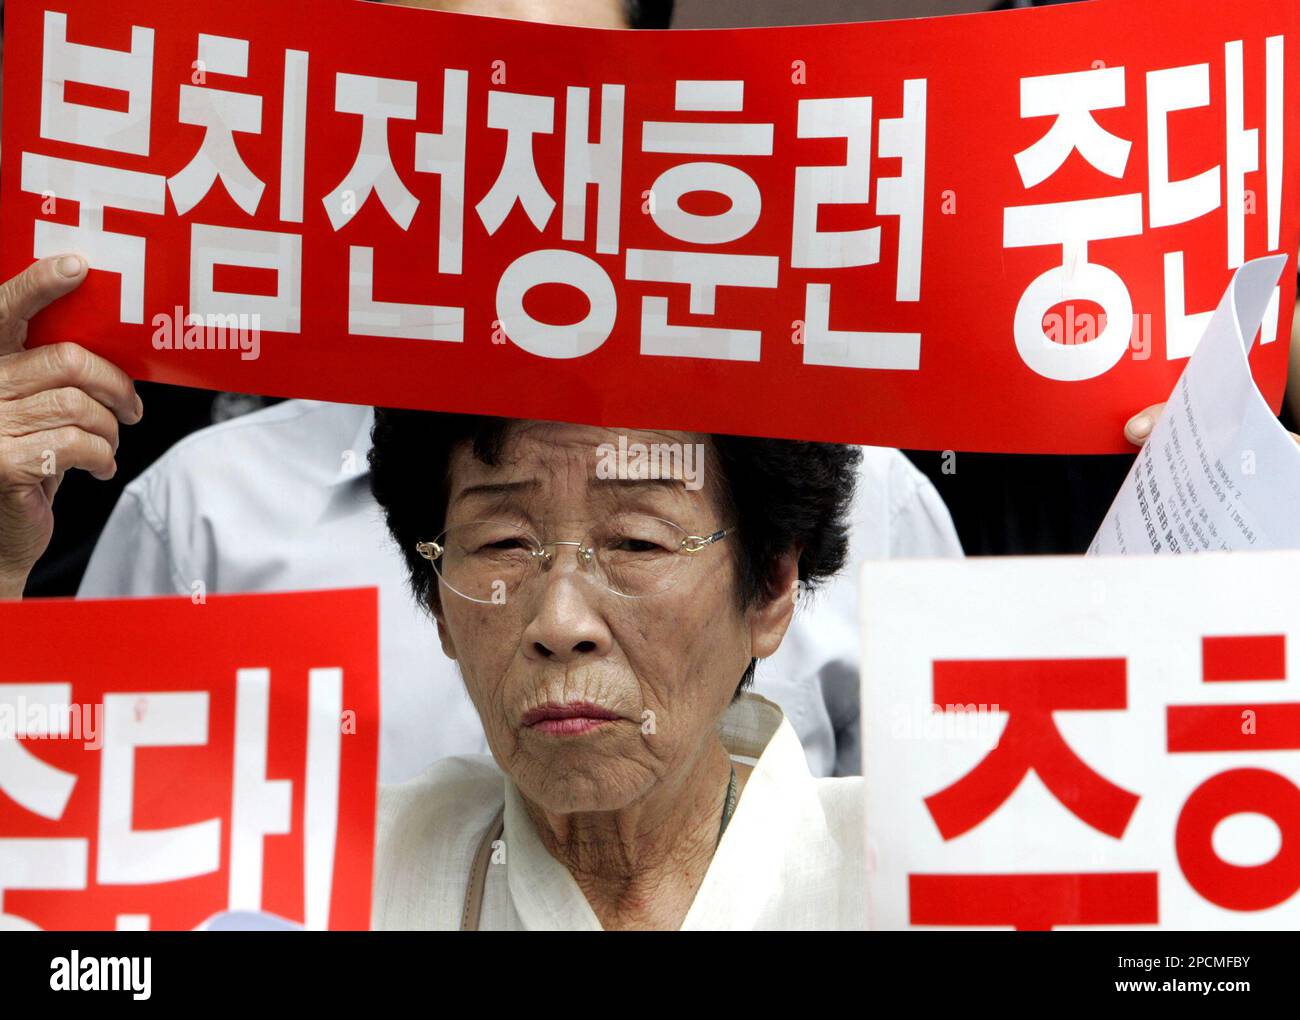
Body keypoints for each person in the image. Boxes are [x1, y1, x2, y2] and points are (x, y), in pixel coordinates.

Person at [368, 413, 868, 929]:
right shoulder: (343, 876)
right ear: (438, 603)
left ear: (769, 589)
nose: (560, 625)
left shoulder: (903, 877)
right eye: (502, 543)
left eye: (637, 542)